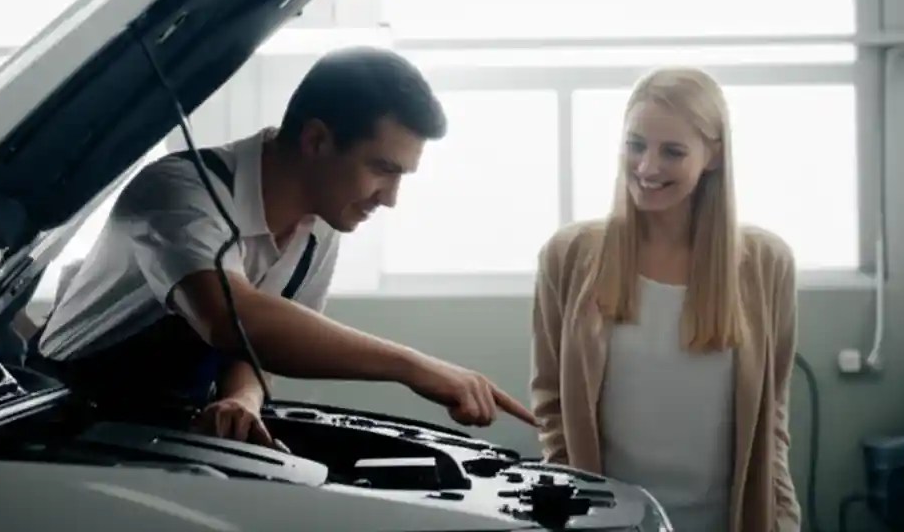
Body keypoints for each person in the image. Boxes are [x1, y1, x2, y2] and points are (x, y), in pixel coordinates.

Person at [36, 46, 535, 447]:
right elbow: (231, 318)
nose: (390, 199)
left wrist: (242, 401)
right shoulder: (178, 191)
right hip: (56, 424)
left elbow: (261, 351)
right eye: (382, 169)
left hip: (161, 429)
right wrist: (414, 367)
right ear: (317, 140)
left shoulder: (323, 228)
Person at [529, 67, 800, 532]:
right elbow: (551, 403)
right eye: (636, 145)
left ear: (712, 156)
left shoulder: (766, 263)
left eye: (672, 151)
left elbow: (771, 422)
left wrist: (782, 519)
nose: (648, 167)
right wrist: (577, 509)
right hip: (611, 524)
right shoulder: (568, 256)